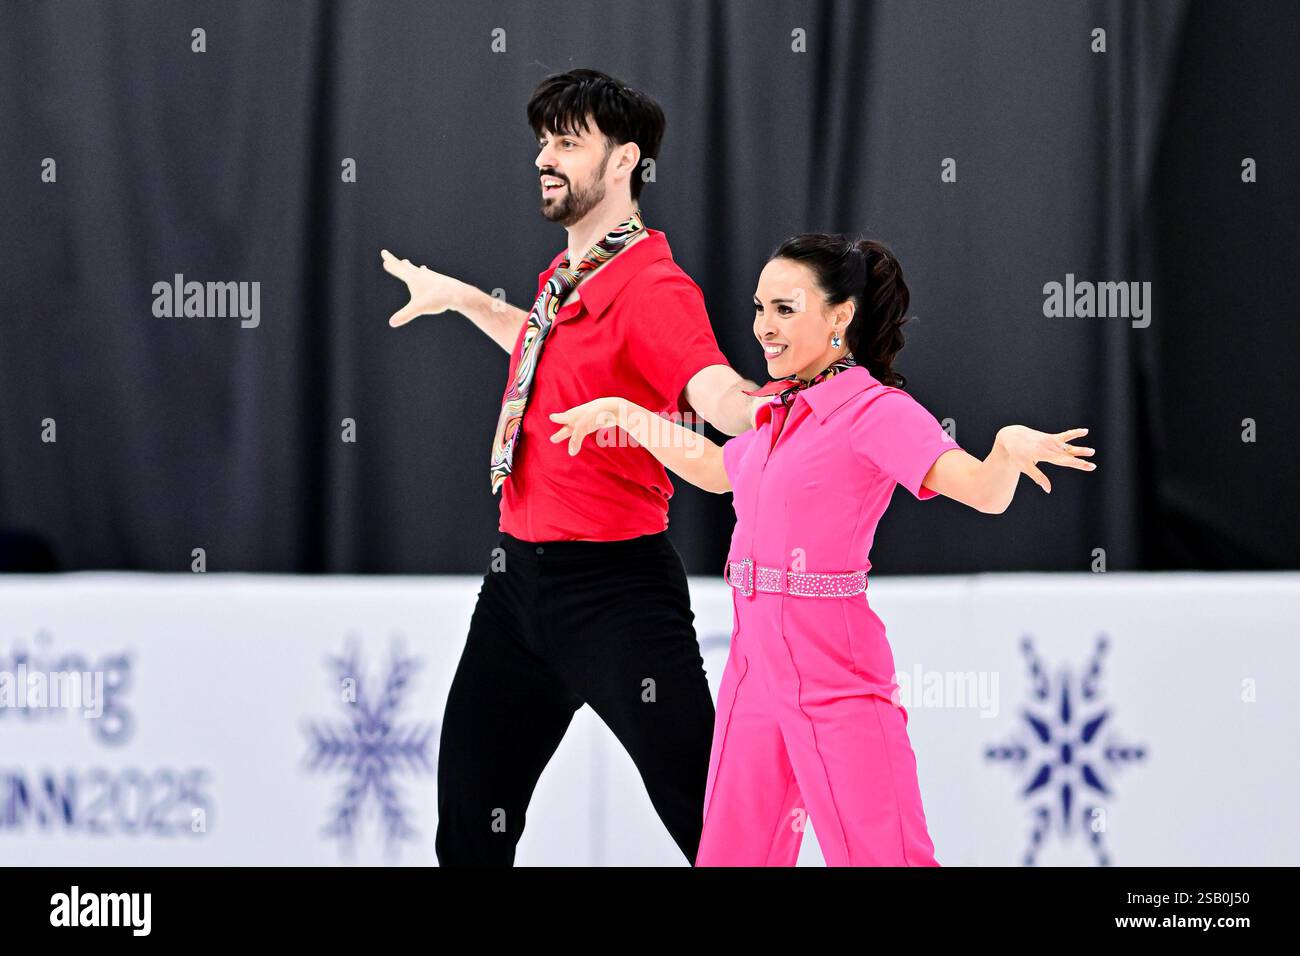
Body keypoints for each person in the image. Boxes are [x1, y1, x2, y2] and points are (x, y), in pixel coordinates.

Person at [550, 232, 1097, 865]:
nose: (763, 327)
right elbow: (715, 468)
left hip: (837, 677)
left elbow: (981, 492)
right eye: (759, 308)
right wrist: (625, 412)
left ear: (840, 316)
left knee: (883, 857)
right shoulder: (775, 408)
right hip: (754, 675)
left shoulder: (876, 411)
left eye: (785, 308)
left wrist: (1003, 452)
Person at [379, 69, 762, 865]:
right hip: (517, 590)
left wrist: (771, 410)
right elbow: (553, 354)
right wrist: (465, 302)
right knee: (470, 833)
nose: (544, 159)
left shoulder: (654, 287)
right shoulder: (571, 277)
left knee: (714, 830)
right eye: (543, 143)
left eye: (567, 143)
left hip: (617, 597)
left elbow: (712, 386)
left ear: (623, 162)